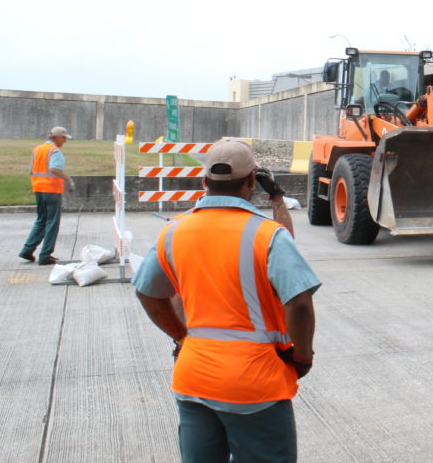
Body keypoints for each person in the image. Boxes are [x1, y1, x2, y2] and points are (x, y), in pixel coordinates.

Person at [133, 139, 320, 462]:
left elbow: (147, 291)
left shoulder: (173, 232)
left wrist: (181, 336)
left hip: (193, 379)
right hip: (255, 385)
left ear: (204, 182)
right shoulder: (267, 235)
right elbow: (299, 303)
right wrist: (302, 357)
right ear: (251, 182)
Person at [19, 126, 75, 265]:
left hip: (38, 188)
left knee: (41, 220)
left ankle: (27, 250)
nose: (65, 141)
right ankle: (45, 255)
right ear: (56, 137)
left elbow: (32, 170)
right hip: (52, 189)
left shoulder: (37, 149)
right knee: (52, 222)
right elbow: (54, 168)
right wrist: (68, 179)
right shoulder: (54, 151)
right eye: (64, 138)